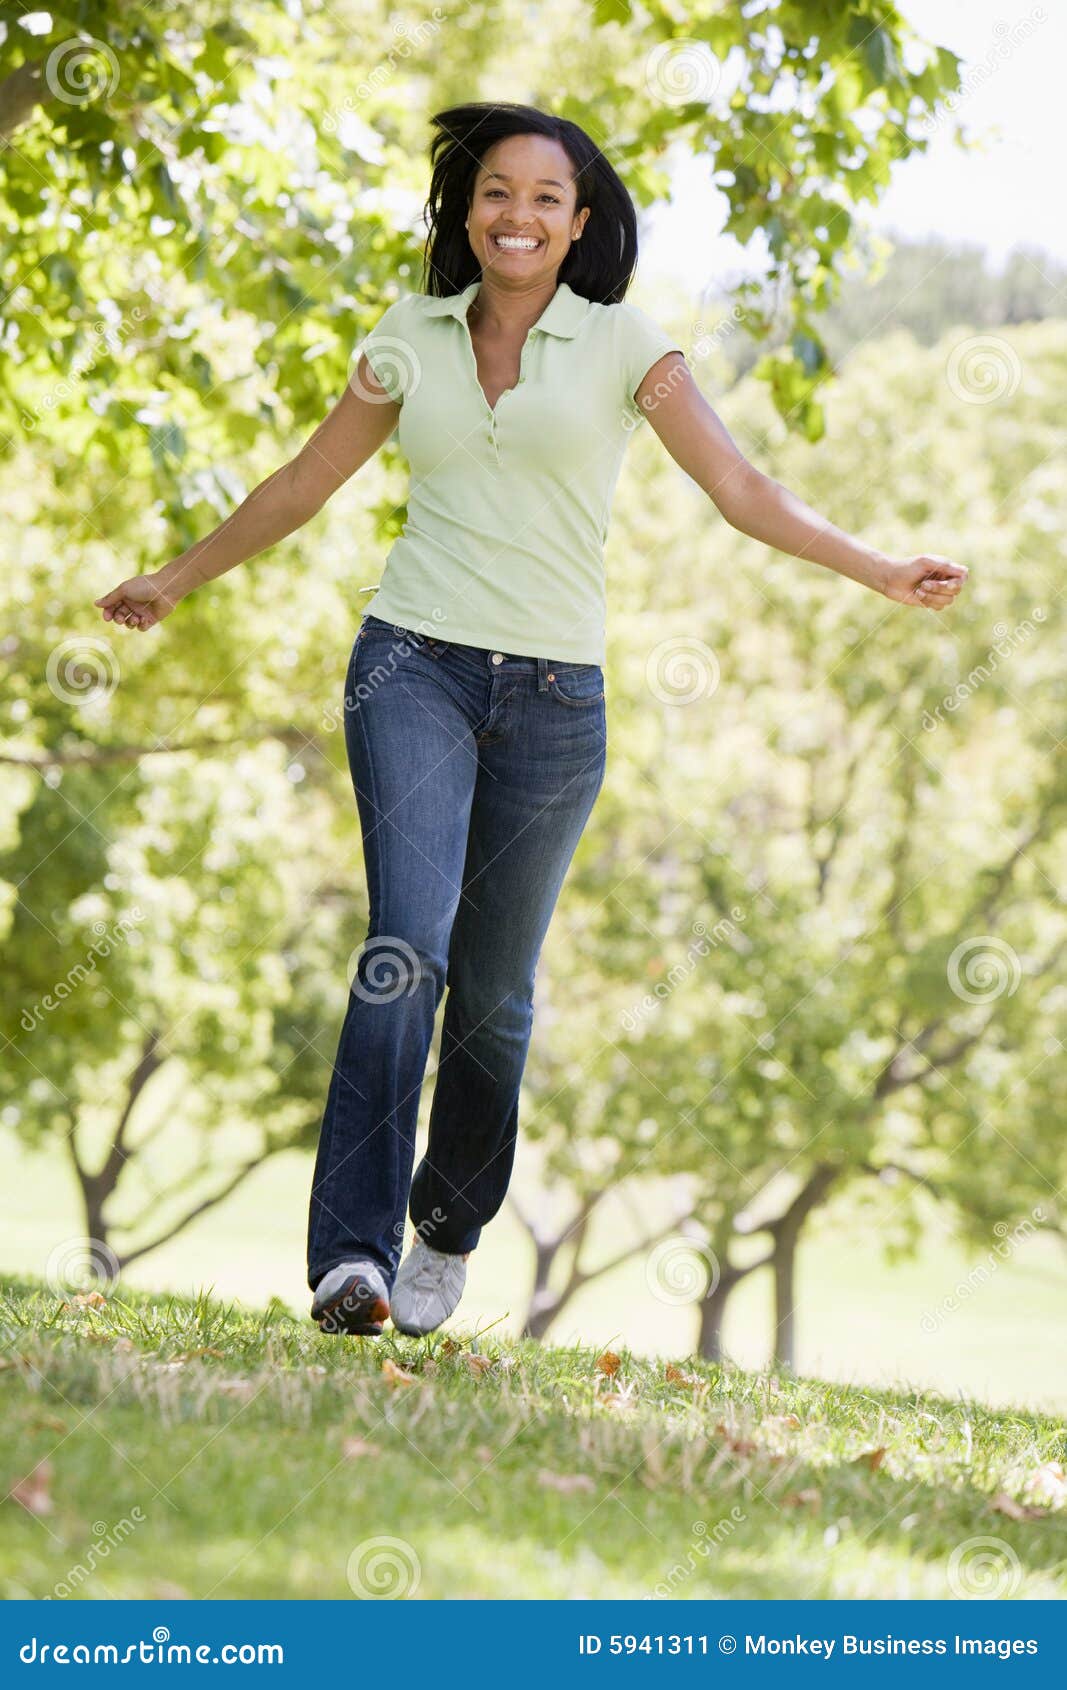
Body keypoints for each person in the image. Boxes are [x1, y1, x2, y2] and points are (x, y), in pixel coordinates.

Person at [93, 101, 968, 1342]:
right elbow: (303, 480)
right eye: (495, 192)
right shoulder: (408, 337)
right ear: (466, 212)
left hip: (556, 701)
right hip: (411, 666)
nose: (517, 215)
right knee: (405, 947)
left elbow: (736, 485)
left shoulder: (625, 346)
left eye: (544, 198)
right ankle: (351, 1257)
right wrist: (176, 578)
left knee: (496, 992)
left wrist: (875, 566)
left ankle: (446, 1227)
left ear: (577, 222)